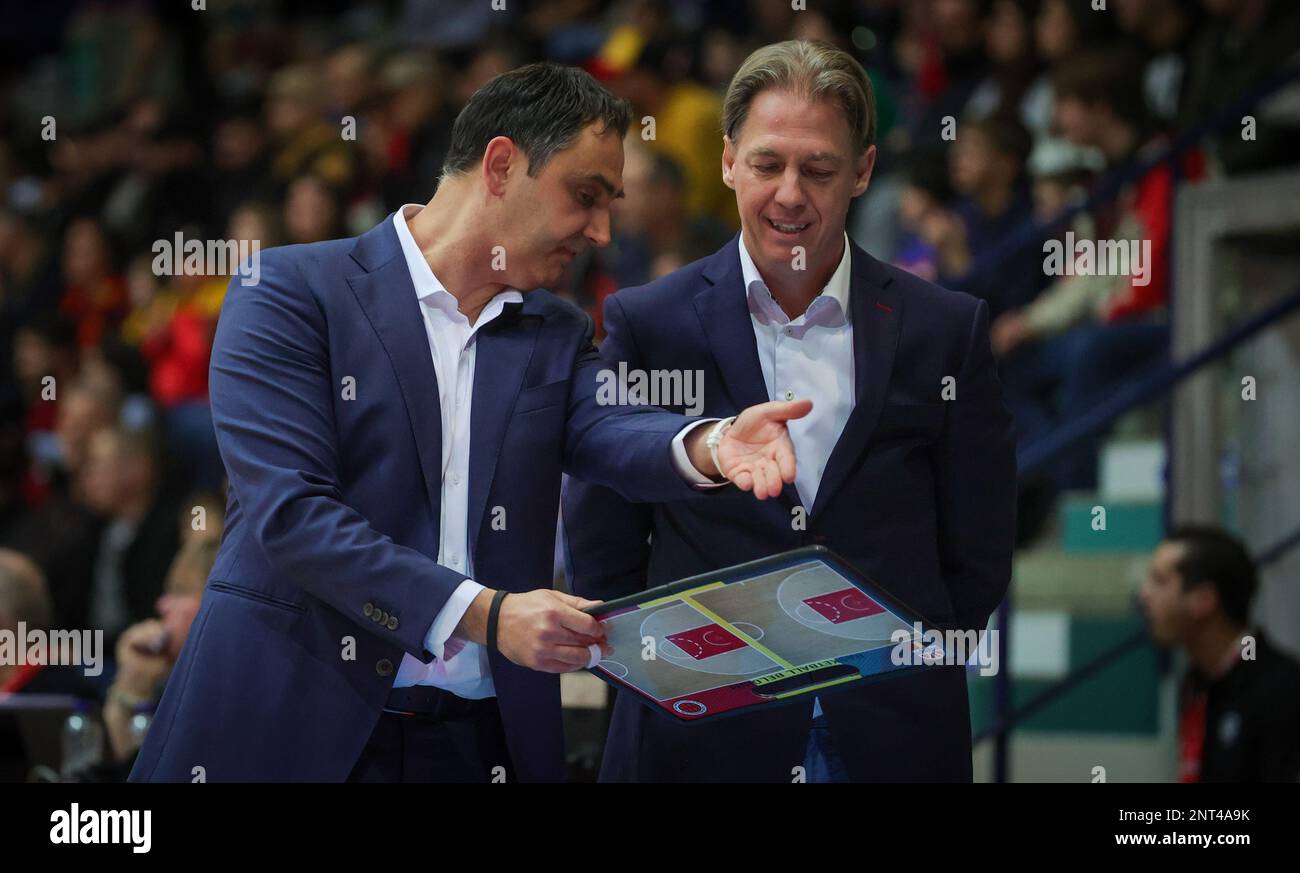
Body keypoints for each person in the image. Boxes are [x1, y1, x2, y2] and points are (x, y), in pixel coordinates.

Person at [130, 62, 809, 784]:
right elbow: (293, 516)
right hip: (288, 726)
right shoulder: (291, 292)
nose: (603, 231)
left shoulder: (553, 327)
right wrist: (487, 615)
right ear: (501, 164)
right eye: (586, 196)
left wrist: (710, 443)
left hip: (473, 746)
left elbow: (614, 426)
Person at [563, 40, 1017, 782]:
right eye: (768, 164)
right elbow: (604, 536)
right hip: (701, 731)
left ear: (864, 170)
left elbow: (980, 542)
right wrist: (677, 672)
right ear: (727, 162)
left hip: (892, 731)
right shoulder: (649, 322)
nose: (790, 193)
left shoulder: (946, 328)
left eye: (819, 168)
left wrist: (902, 663)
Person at [1139, 526, 1300, 783]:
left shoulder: (1283, 691)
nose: (1144, 594)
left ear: (1203, 600)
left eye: (1160, 581)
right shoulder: (1197, 682)